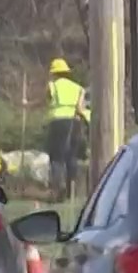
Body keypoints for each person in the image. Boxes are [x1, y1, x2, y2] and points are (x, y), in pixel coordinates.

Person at [44, 58, 87, 202]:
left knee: (57, 157)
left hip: (58, 123)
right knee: (71, 156)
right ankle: (72, 190)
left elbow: (43, 102)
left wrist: (27, 105)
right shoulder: (78, 88)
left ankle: (57, 190)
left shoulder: (52, 86)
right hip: (75, 123)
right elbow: (80, 109)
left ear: (54, 73)